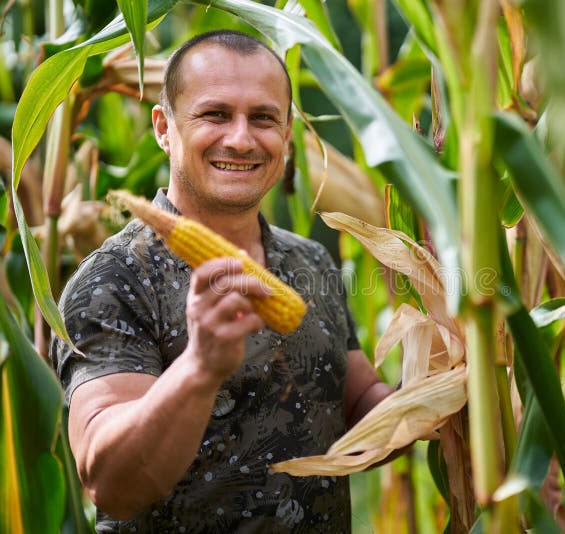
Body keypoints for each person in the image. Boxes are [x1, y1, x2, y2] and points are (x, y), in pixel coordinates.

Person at [50, 30, 393, 532]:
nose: (241, 139)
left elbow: (358, 407)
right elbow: (110, 483)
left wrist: (443, 391)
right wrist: (200, 367)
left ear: (287, 133)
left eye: (263, 118)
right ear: (164, 128)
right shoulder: (112, 279)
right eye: (215, 114)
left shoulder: (310, 262)